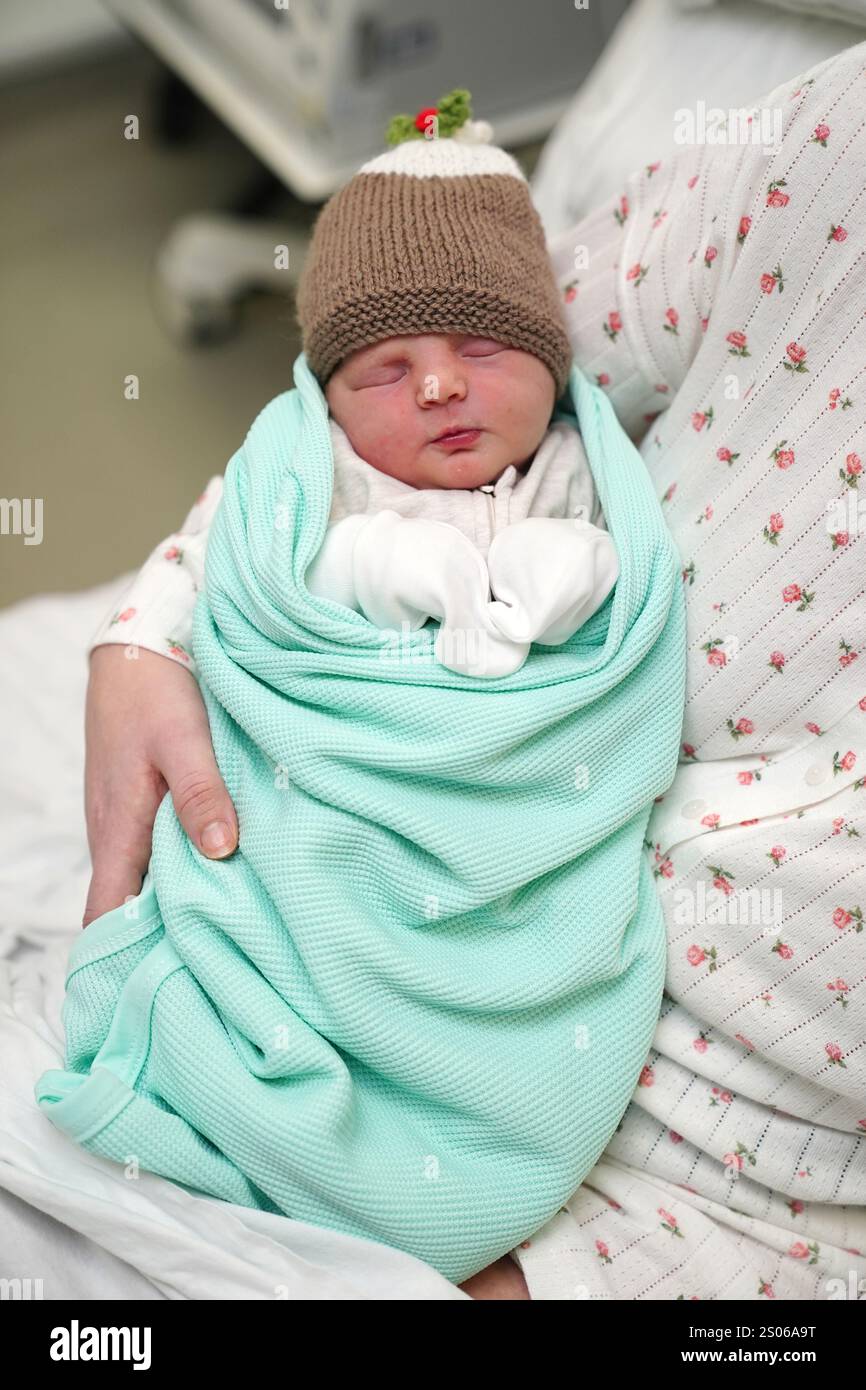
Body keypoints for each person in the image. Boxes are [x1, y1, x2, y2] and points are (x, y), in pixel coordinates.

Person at [81, 43, 866, 1299]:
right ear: (326, 396)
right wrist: (144, 631)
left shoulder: (569, 463)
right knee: (249, 931)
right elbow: (256, 562)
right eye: (381, 371)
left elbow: (600, 578)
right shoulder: (320, 467)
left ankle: (435, 1132)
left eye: (482, 351)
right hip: (335, 782)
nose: (439, 385)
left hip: (537, 841)